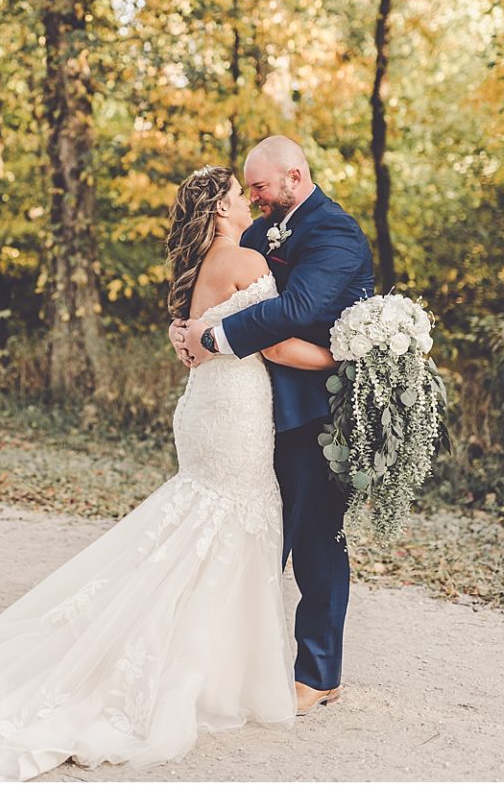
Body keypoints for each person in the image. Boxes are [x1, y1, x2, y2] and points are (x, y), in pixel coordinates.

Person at [0, 165, 338, 780]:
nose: (248, 205)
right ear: (219, 213)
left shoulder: (196, 272)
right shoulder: (242, 262)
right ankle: (198, 678)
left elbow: (194, 343)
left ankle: (196, 669)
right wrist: (348, 353)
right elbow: (274, 344)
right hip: (234, 414)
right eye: (239, 197)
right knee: (228, 527)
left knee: (206, 527)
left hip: (208, 411)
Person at [170, 135, 374, 716]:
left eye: (260, 186)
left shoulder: (335, 232)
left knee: (316, 540)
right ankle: (229, 666)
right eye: (248, 189)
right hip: (253, 414)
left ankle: (318, 673)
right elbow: (220, 287)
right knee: (255, 540)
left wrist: (212, 338)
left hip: (313, 411)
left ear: (294, 175)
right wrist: (186, 327)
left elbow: (297, 311)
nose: (254, 196)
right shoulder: (260, 232)